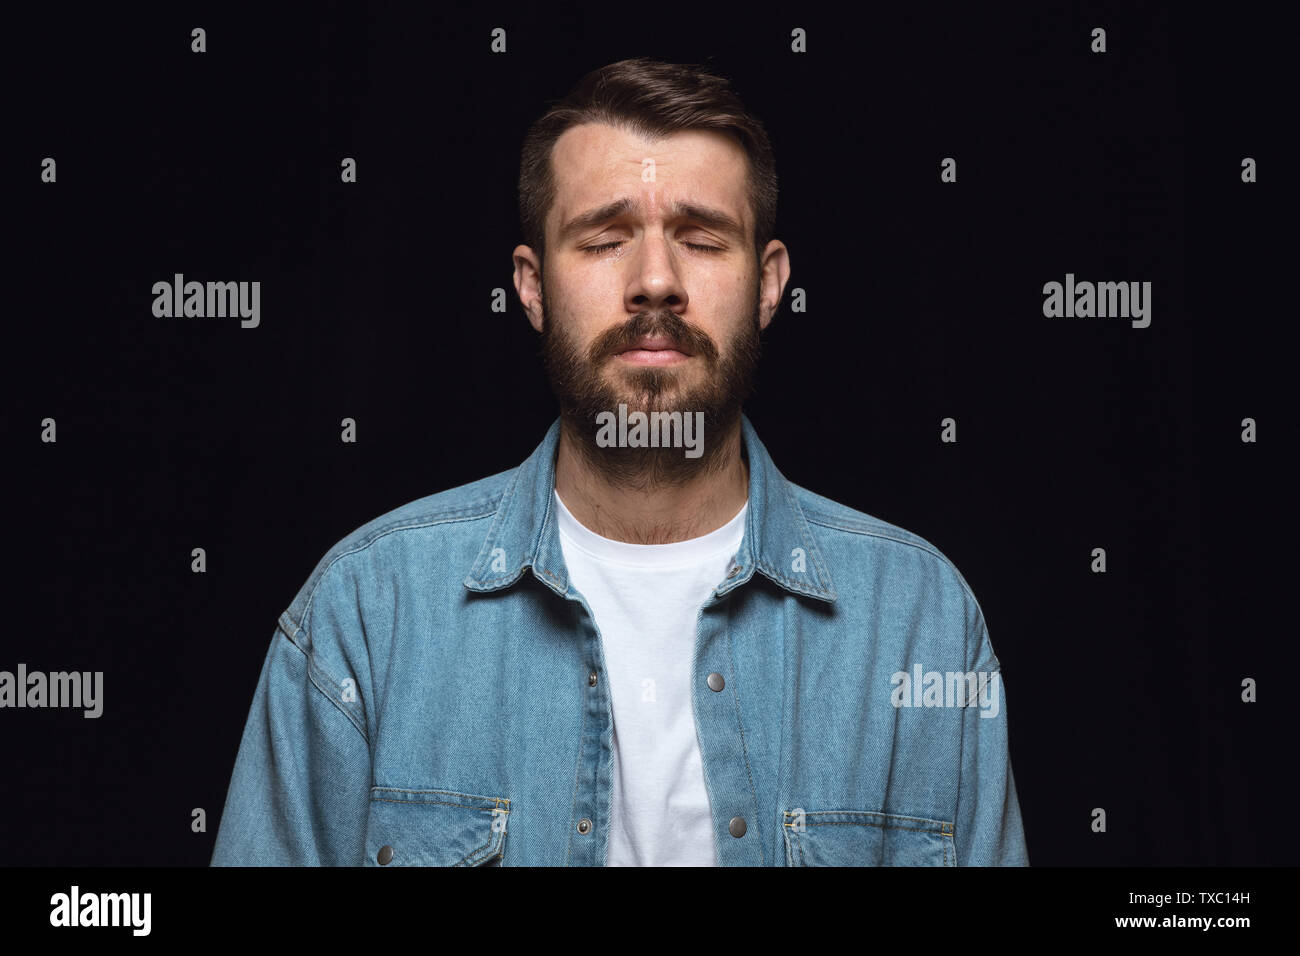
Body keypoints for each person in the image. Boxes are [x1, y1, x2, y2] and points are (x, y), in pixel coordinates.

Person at [211, 57, 1028, 867]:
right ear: (531, 288)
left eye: (702, 240)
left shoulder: (921, 623)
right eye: (604, 240)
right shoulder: (366, 614)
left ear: (769, 284)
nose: (655, 283)